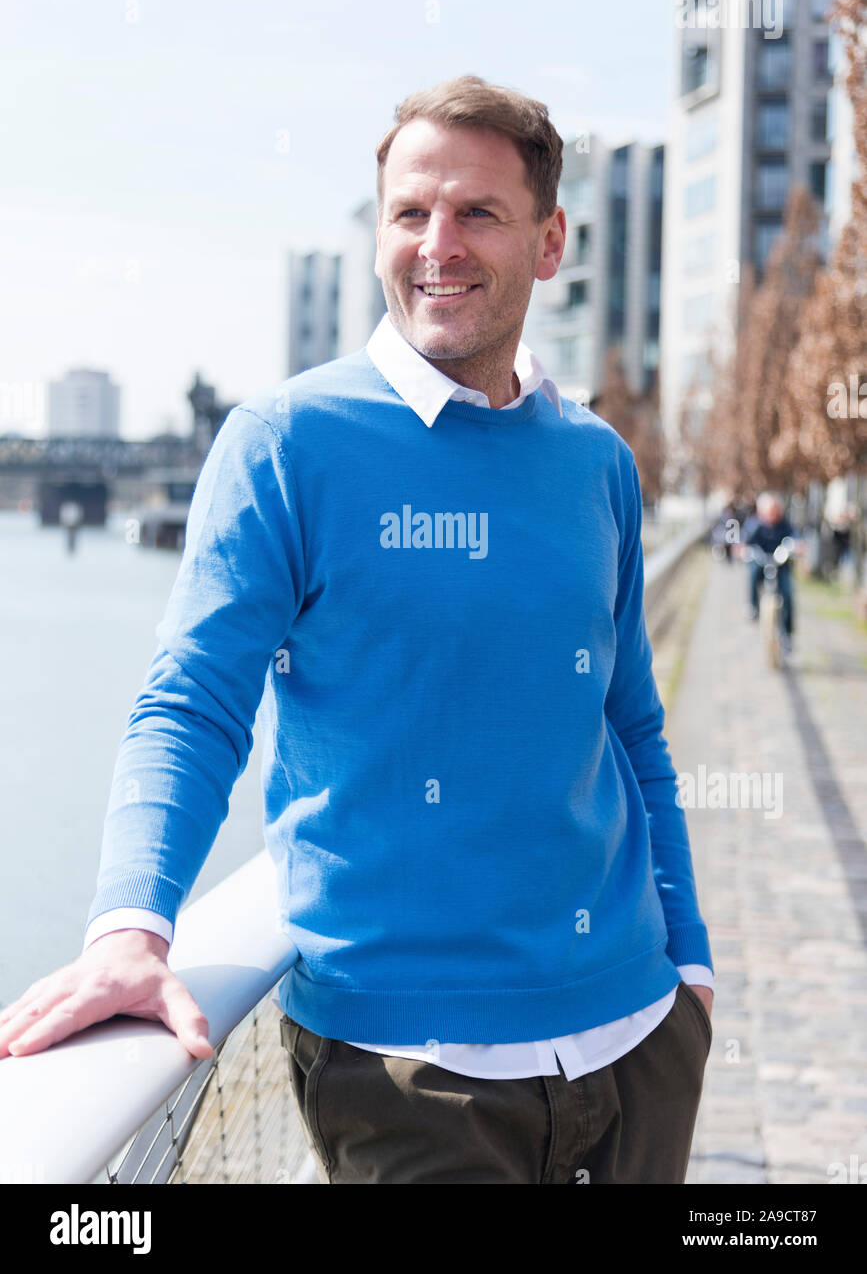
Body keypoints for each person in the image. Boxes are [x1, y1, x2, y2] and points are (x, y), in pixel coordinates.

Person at [0, 75, 714, 1185]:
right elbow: (191, 704)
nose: (439, 243)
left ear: (550, 240)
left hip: (635, 1038)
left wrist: (692, 960)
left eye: (479, 211)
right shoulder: (286, 444)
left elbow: (633, 728)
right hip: (405, 1070)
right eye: (409, 212)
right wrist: (131, 930)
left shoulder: (599, 464)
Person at [738, 491, 797, 653]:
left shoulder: (785, 525)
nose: (771, 516)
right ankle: (753, 605)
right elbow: (744, 542)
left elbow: (795, 538)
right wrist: (744, 550)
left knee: (788, 592)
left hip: (780, 564)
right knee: (752, 573)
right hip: (761, 562)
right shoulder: (755, 525)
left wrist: (795, 546)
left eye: (774, 512)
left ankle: (787, 634)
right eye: (768, 513)